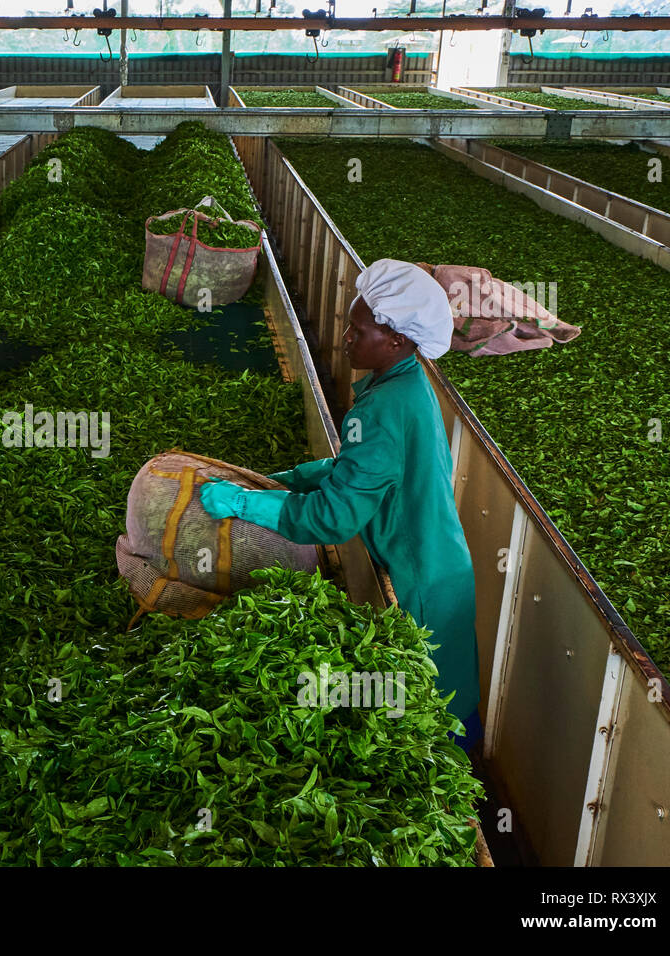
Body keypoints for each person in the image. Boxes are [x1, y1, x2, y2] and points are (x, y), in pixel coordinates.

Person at [199, 258, 482, 750]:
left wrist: (244, 503)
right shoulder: (403, 383)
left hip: (418, 583)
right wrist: (292, 478)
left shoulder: (385, 409)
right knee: (445, 693)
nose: (347, 338)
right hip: (437, 564)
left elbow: (333, 517)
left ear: (395, 340)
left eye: (358, 330)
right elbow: (361, 472)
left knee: (432, 719)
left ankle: (465, 792)